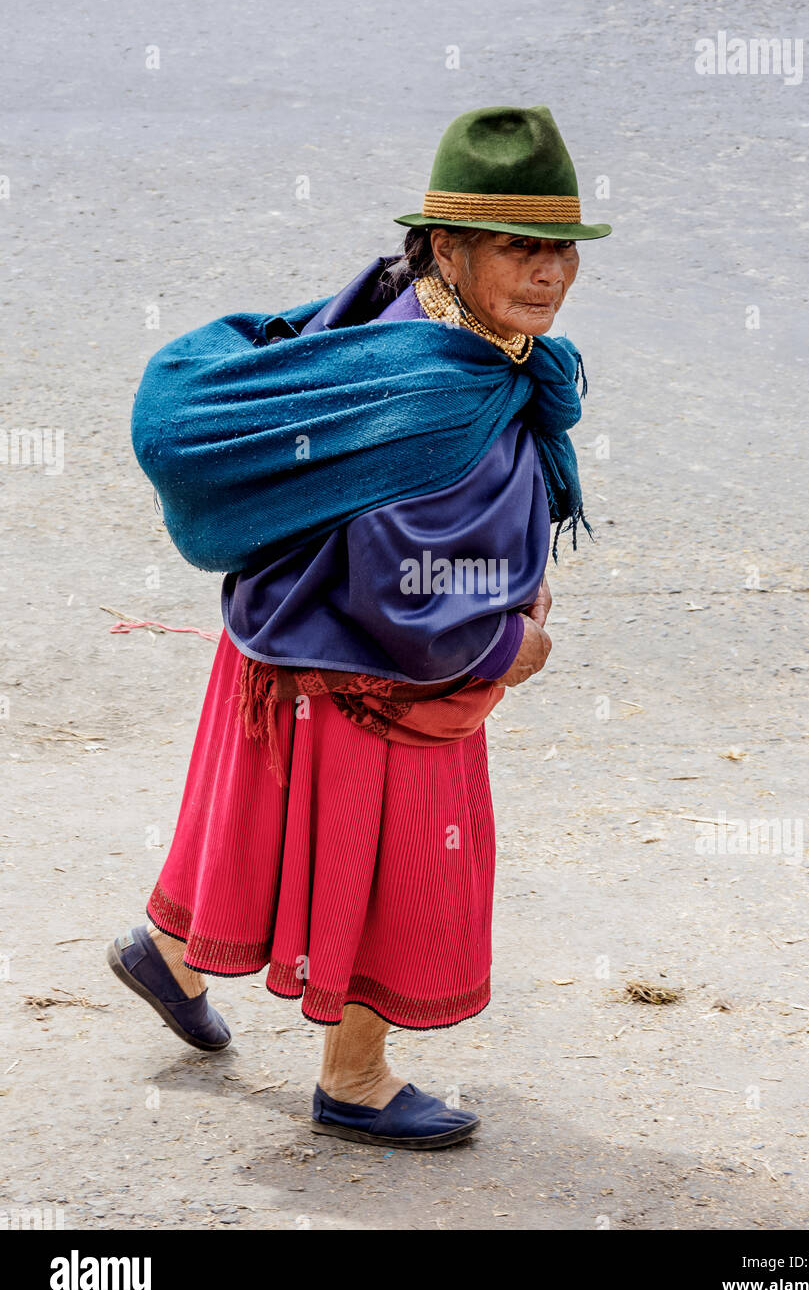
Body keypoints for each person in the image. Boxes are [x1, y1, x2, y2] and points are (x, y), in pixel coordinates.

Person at [108, 104, 611, 1150]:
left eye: (561, 249)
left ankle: (169, 954)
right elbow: (402, 577)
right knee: (407, 868)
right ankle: (357, 1078)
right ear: (446, 246)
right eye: (521, 247)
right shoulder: (429, 387)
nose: (550, 274)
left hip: (279, 647)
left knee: (251, 829)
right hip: (368, 675)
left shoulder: (385, 315)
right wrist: (504, 642)